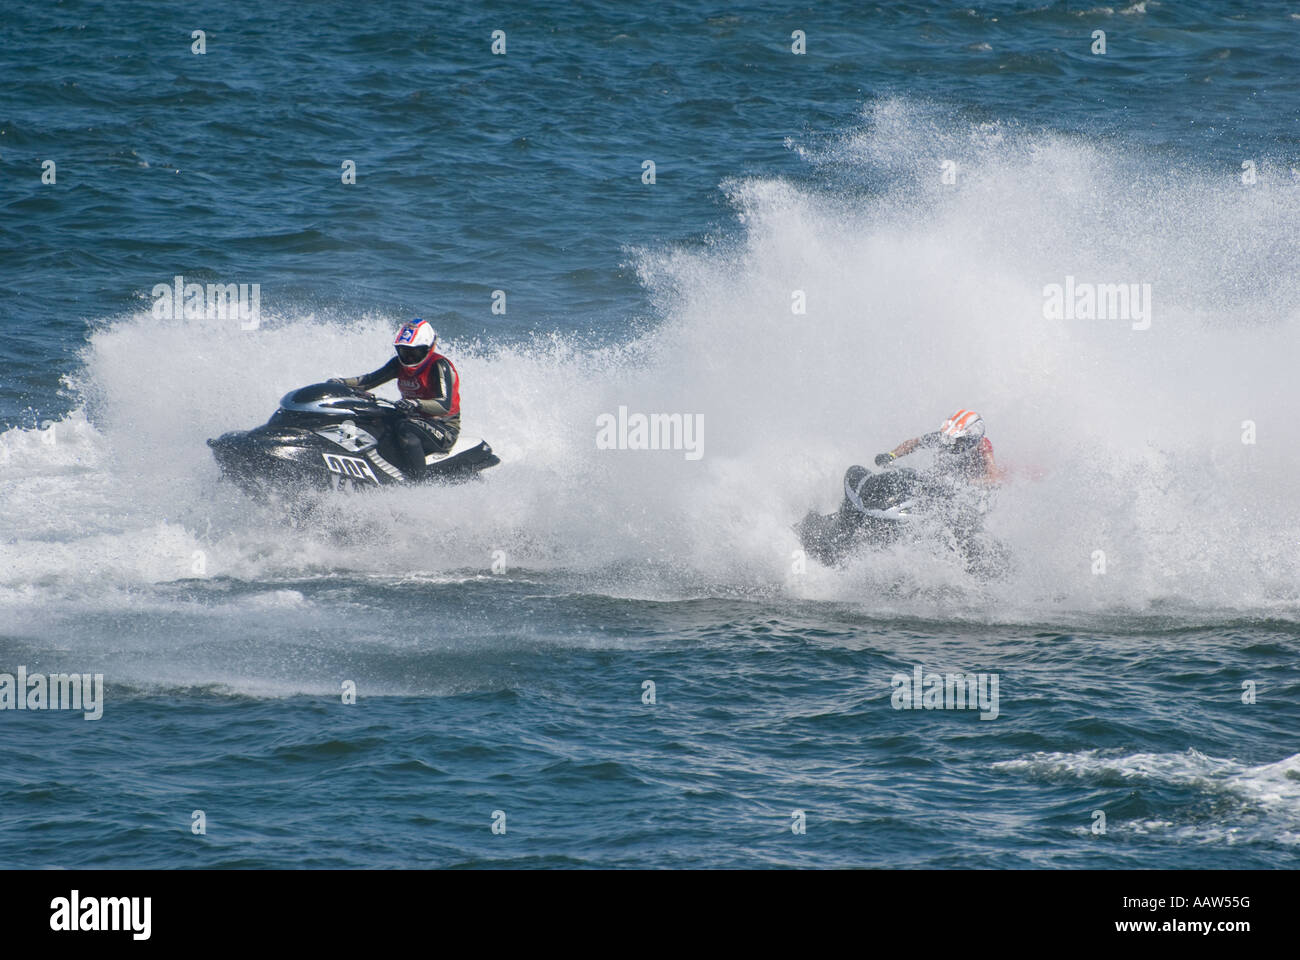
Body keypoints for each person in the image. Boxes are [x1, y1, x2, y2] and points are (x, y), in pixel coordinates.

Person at [331, 319, 460, 478]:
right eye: (404, 351)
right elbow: (368, 381)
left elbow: (444, 404)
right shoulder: (398, 364)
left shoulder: (439, 365)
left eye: (414, 352)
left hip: (444, 427)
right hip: (414, 419)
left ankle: (417, 482)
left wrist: (415, 403)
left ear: (428, 348)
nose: (409, 357)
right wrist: (341, 383)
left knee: (405, 427)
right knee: (370, 414)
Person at [873, 409, 1001, 485]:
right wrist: (891, 455)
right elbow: (914, 443)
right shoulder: (945, 437)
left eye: (960, 439)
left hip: (967, 493)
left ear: (972, 437)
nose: (953, 443)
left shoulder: (983, 445)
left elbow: (994, 477)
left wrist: (966, 483)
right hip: (938, 483)